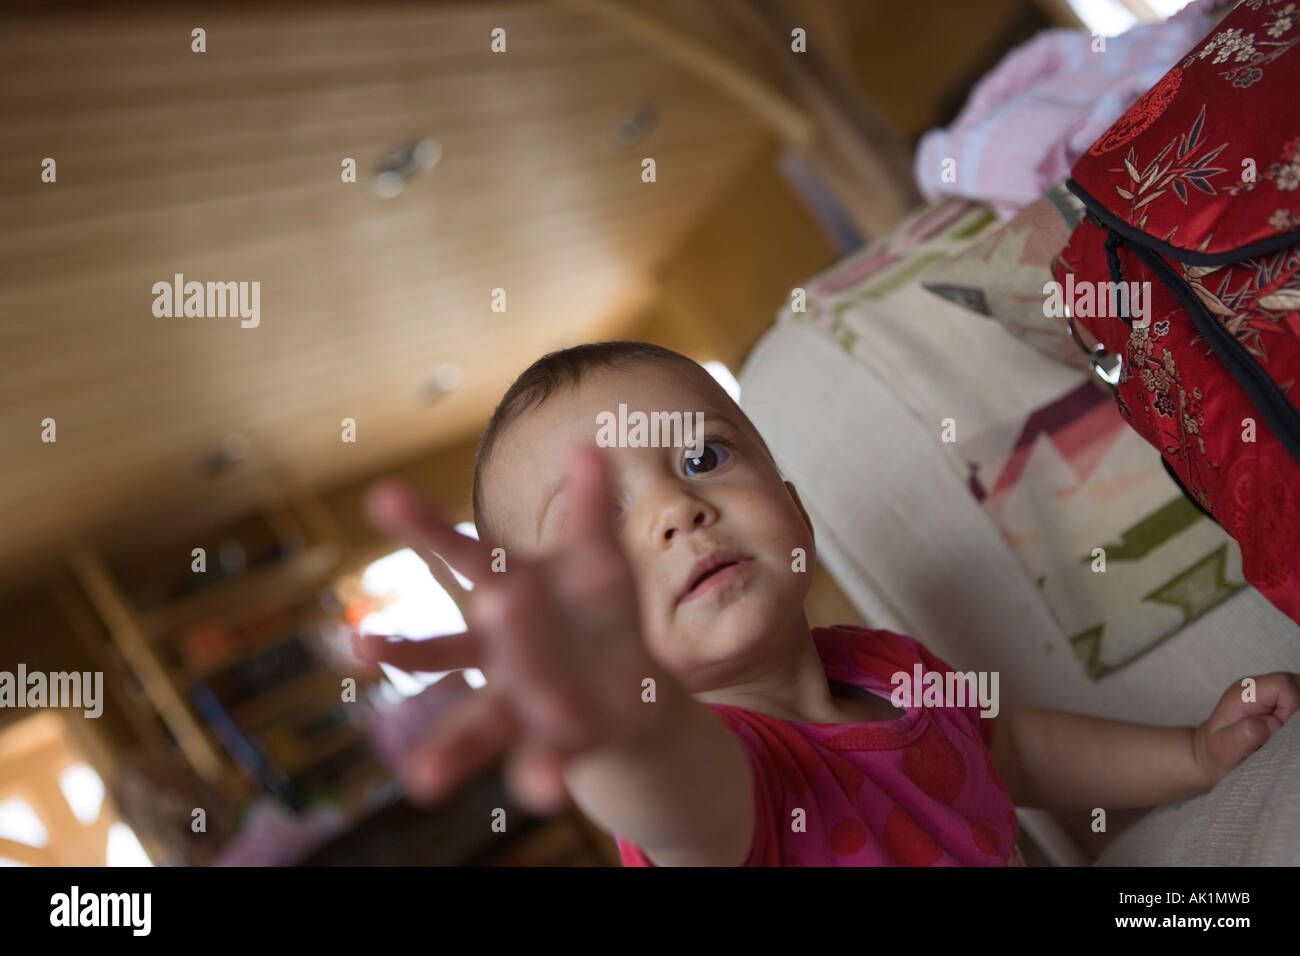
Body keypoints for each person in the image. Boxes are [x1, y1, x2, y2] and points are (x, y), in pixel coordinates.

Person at [354, 341, 1299, 866]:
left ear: (796, 511)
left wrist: (1190, 756)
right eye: (601, 527)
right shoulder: (723, 772)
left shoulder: (889, 669)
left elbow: (1010, 752)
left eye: (703, 458)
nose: (680, 511)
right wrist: (615, 728)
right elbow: (680, 800)